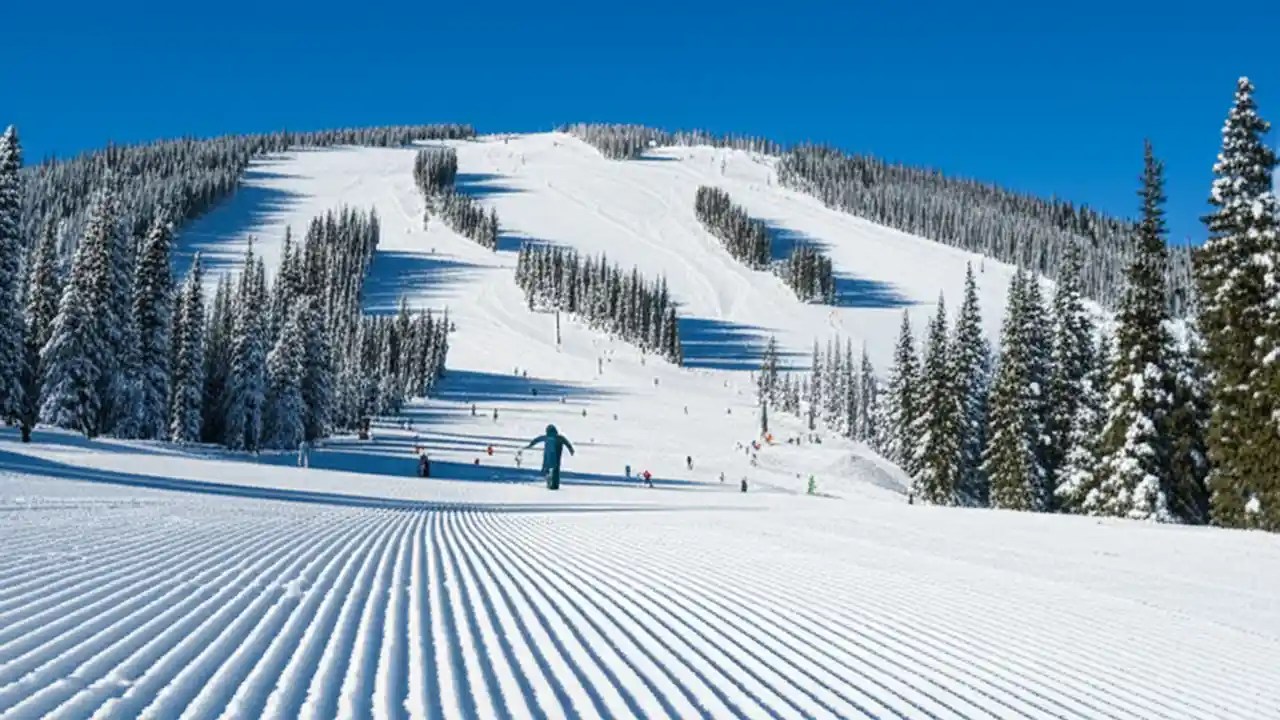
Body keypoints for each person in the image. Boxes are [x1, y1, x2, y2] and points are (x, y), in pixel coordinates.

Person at [525, 424, 575, 490]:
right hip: (556, 458)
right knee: (555, 471)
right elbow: (567, 443)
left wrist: (530, 445)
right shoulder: (559, 438)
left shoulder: (547, 437)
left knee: (548, 470)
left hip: (548, 457)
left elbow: (537, 439)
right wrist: (571, 450)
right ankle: (554, 484)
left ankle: (550, 483)